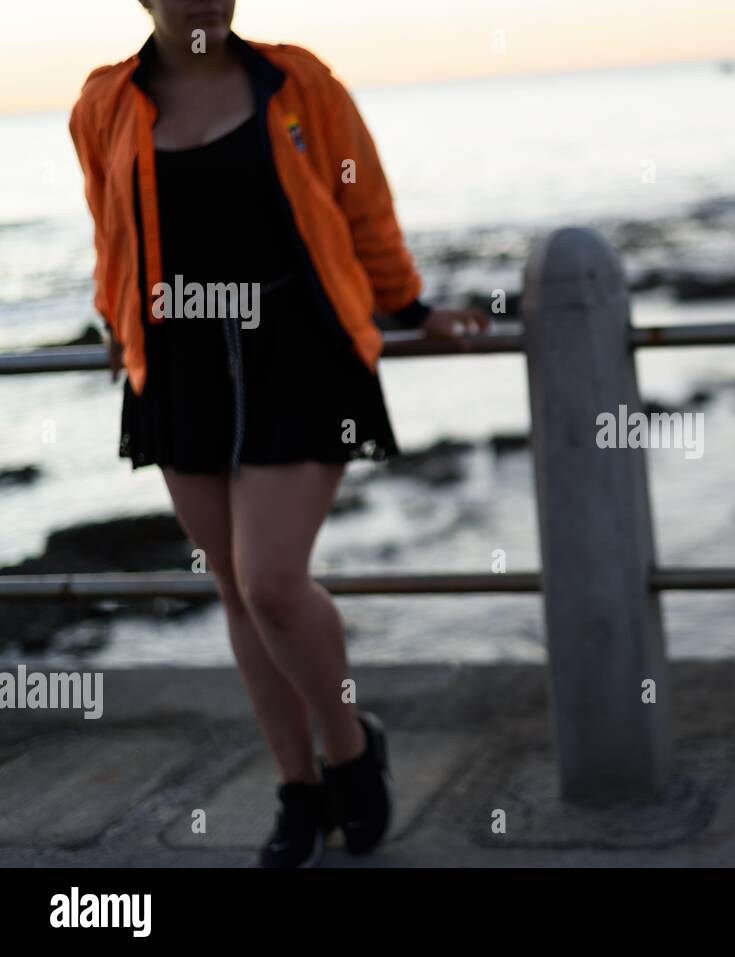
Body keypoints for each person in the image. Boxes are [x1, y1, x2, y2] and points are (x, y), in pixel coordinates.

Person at [68, 0, 488, 867]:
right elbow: (111, 227)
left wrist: (409, 306)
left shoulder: (301, 82)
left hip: (302, 354)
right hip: (178, 365)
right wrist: (118, 320)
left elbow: (361, 200)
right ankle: (297, 790)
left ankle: (349, 748)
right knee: (233, 585)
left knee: (269, 581)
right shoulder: (104, 103)